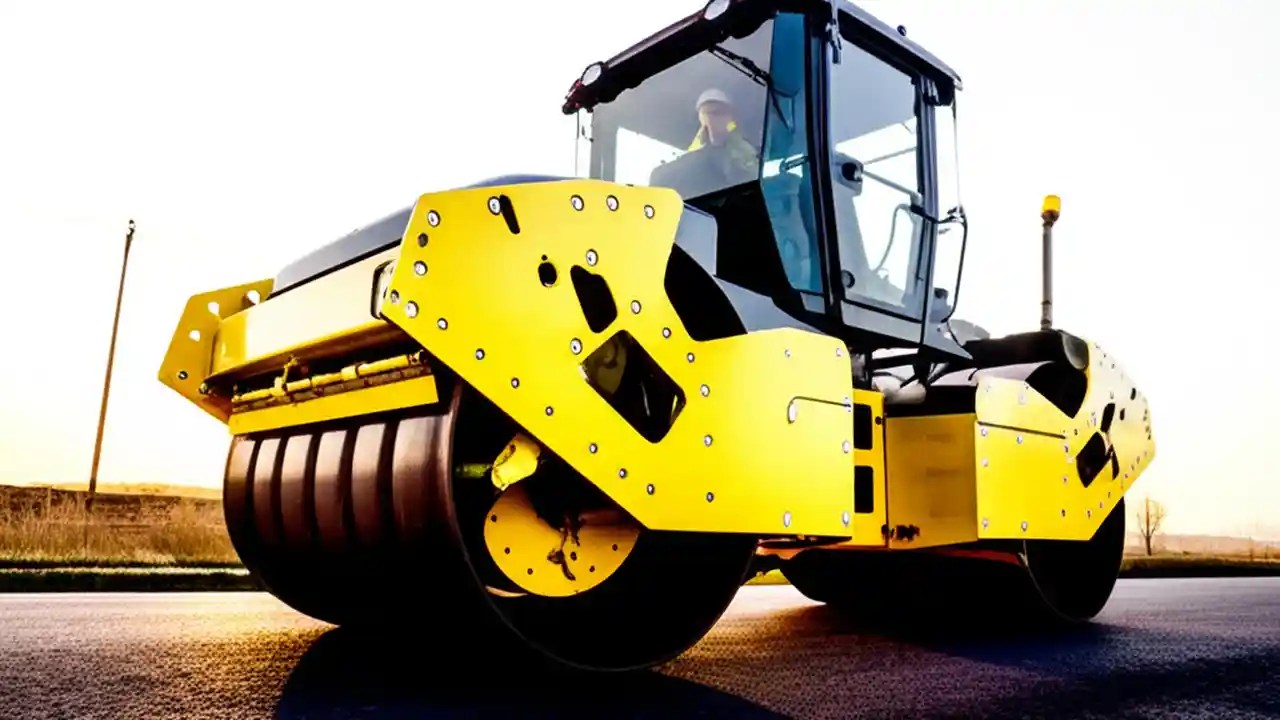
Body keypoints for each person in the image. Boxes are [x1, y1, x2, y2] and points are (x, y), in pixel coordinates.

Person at [686, 88, 759, 186]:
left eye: (717, 112)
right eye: (706, 112)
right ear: (700, 117)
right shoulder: (694, 150)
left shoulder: (743, 148)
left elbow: (753, 175)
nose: (711, 118)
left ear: (729, 116)